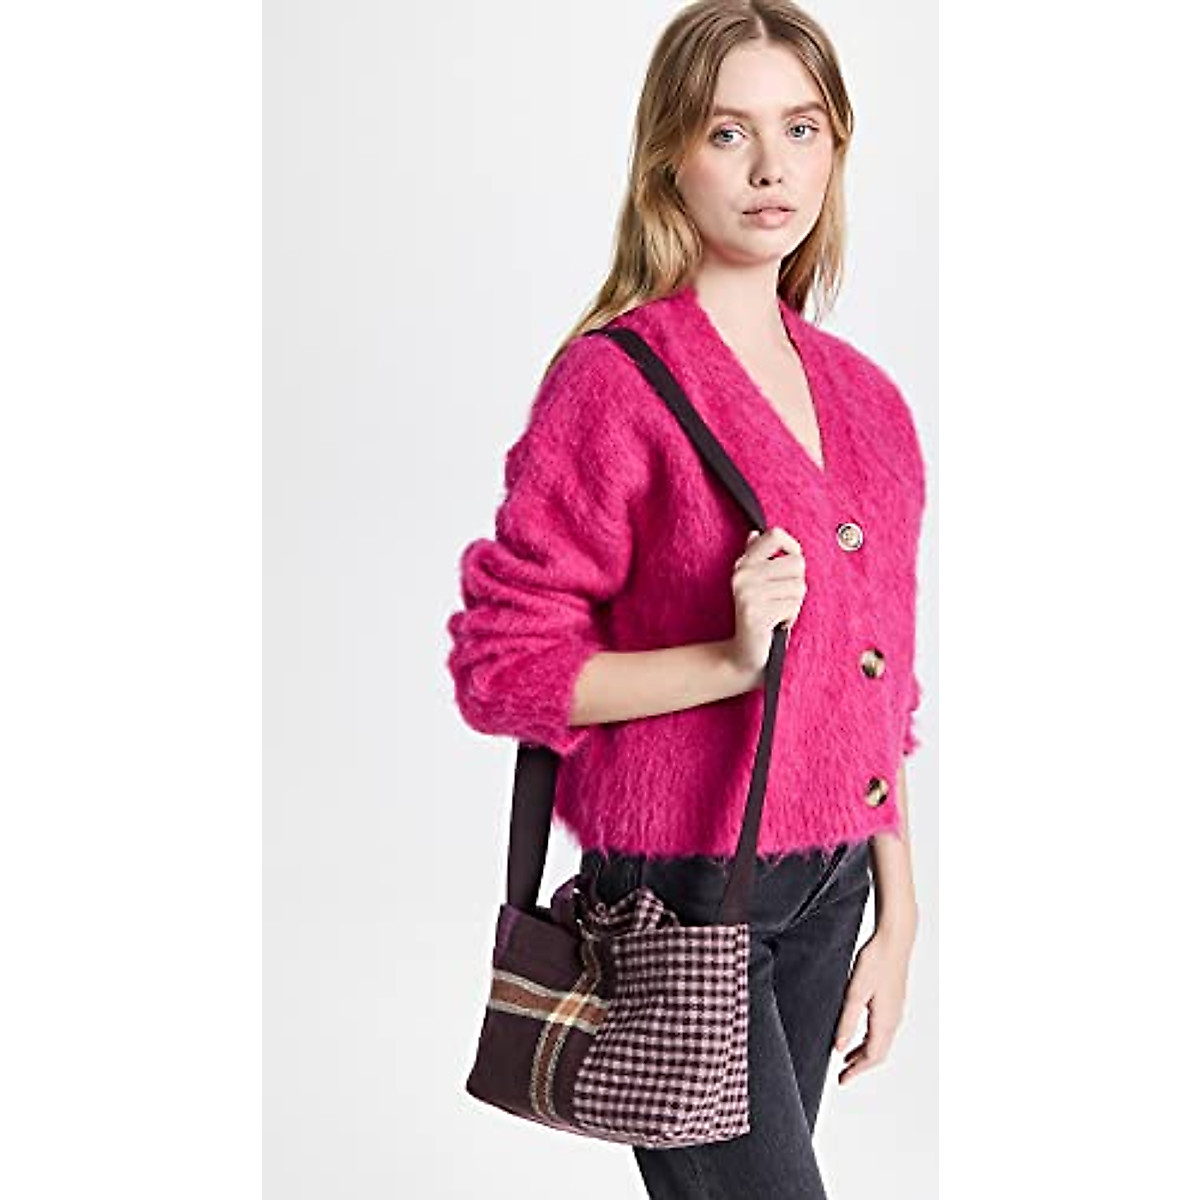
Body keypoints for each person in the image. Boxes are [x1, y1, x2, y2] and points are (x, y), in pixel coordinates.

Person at [445, 2, 927, 1196]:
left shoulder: (867, 400)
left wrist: (899, 906)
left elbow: (879, 683)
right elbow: (505, 668)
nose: (772, 168)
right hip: (684, 888)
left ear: (837, 147)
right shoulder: (614, 383)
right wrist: (728, 658)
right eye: (728, 132)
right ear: (669, 154)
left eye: (801, 129)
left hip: (831, 883)